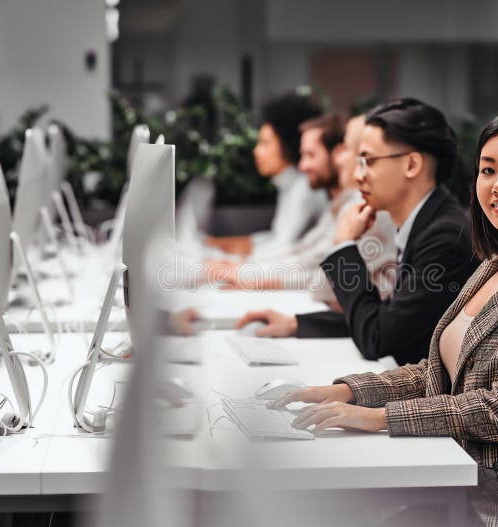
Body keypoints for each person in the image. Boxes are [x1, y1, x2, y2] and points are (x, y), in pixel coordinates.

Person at [273, 106, 498, 526]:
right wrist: (348, 392)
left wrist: (380, 418)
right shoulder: (495, 265)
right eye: (487, 170)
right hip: (467, 477)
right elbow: (440, 374)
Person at [237, 98, 477, 366]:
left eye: (368, 161)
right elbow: (392, 318)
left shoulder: (444, 238)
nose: (357, 174)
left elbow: (379, 339)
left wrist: (343, 247)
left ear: (412, 165)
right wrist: (296, 324)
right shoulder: (429, 221)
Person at [214, 114, 397, 300]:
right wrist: (245, 268)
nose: (340, 159)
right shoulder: (346, 204)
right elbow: (306, 254)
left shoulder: (368, 209)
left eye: (348, 150)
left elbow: (322, 278)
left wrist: (249, 272)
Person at [204, 92, 327, 257]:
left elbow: (283, 248)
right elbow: (276, 237)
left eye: (265, 143)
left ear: (286, 144)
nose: (257, 151)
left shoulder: (304, 188)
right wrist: (223, 245)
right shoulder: (290, 184)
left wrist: (230, 262)